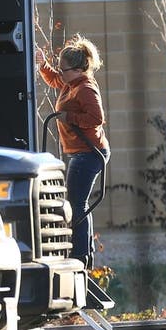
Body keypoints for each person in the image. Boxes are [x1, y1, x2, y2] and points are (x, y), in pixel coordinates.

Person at [36, 34, 110, 268]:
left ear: (78, 70)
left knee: (76, 203)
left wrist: (70, 118)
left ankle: (80, 256)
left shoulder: (85, 88)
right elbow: (56, 79)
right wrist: (43, 66)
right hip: (81, 153)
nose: (61, 73)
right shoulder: (71, 83)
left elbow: (97, 118)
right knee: (80, 202)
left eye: (64, 69)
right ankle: (84, 252)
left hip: (89, 153)